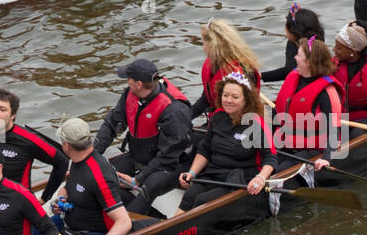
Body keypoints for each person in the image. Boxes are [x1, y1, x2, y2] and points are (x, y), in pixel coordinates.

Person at [93, 58, 192, 216]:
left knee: (149, 186)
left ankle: (136, 222)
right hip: (139, 157)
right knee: (103, 176)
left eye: (128, 79)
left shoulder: (173, 110)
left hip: (170, 165)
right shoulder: (131, 94)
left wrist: (138, 180)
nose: (126, 82)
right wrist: (92, 155)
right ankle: (147, 215)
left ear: (138, 84)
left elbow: (168, 155)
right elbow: (112, 123)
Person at [177, 75, 276, 212]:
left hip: (240, 178)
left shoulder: (256, 124)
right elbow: (205, 149)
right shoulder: (218, 116)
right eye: (225, 95)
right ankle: (172, 231)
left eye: (235, 97)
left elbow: (270, 157)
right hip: (215, 173)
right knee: (190, 195)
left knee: (202, 201)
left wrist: (260, 178)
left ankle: (188, 229)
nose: (229, 100)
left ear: (246, 100)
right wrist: (192, 173)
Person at [50, 117, 132, 235]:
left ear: (67, 146)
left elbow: (125, 222)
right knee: (28, 234)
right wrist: (61, 200)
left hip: (95, 234)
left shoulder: (99, 176)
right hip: (68, 221)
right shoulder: (77, 160)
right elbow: (67, 189)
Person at [272, 37, 344, 170]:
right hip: (284, 142)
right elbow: (276, 112)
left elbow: (334, 130)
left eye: (299, 55)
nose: (295, 57)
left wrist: (326, 158)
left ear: (310, 62)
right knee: (260, 165)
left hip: (312, 149)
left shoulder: (327, 92)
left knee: (278, 170)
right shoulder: (293, 77)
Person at [192, 18, 262, 121]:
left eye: (204, 43)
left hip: (237, 123)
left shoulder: (238, 73)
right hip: (218, 119)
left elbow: (245, 108)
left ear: (213, 45)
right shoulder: (214, 65)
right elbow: (206, 99)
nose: (203, 47)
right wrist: (186, 116)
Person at [261, 4, 326, 84]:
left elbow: (289, 70)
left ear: (295, 31)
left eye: (287, 25)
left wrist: (260, 76)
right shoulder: (293, 42)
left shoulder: (314, 47)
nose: (285, 28)